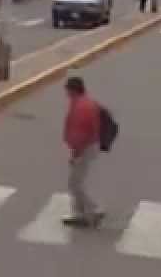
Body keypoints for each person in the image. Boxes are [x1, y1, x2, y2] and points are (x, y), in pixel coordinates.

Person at [62, 76, 104, 228]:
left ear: (72, 90)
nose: (66, 93)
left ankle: (93, 210)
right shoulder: (84, 102)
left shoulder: (81, 107)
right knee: (76, 182)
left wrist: (76, 153)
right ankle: (80, 214)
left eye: (67, 90)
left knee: (75, 184)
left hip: (84, 148)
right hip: (88, 146)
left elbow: (81, 134)